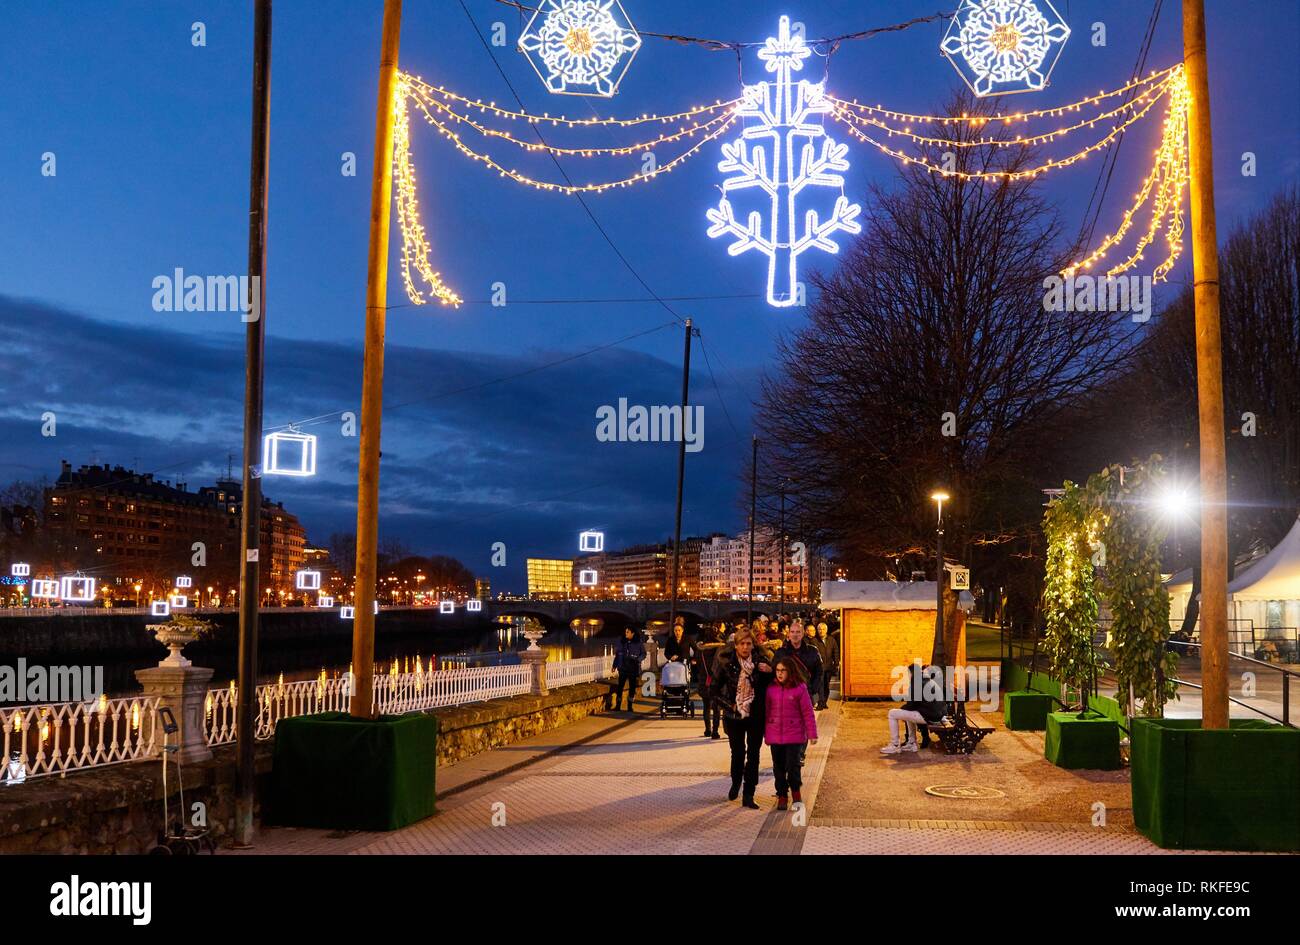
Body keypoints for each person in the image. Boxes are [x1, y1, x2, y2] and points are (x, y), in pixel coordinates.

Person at [710, 627, 774, 809]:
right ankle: (736, 782)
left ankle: (749, 793)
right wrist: (729, 705)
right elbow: (713, 691)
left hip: (755, 714)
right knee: (737, 753)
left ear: (753, 645)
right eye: (742, 644)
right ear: (736, 646)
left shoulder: (762, 662)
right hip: (734, 715)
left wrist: (769, 672)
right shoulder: (726, 663)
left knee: (754, 755)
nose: (746, 647)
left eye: (749, 643)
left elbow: (771, 687)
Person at [765, 655, 818, 811]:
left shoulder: (800, 688)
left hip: (794, 736)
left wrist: (812, 733)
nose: (780, 673)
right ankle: (782, 795)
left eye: (783, 670)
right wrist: (766, 734)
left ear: (790, 671)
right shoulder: (771, 689)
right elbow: (767, 713)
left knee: (793, 766)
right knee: (778, 768)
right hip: (775, 736)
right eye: (777, 670)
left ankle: (796, 792)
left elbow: (807, 712)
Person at [882, 663, 948, 754]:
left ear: (911, 673)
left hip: (931, 717)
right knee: (908, 713)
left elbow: (912, 704)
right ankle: (912, 743)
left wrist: (902, 710)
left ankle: (895, 745)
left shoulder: (917, 682)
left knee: (892, 713)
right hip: (938, 715)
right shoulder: (926, 680)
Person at [776, 620, 823, 712]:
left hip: (806, 695)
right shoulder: (781, 652)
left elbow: (819, 671)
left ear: (802, 634)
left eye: (798, 632)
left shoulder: (812, 651)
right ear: (788, 634)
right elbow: (774, 673)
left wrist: (813, 689)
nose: (795, 634)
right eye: (792, 632)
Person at [694, 623, 726, 738]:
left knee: (706, 706)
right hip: (715, 680)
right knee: (716, 708)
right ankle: (715, 731)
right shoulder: (719, 648)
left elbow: (697, 665)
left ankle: (707, 730)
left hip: (703, 680)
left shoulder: (700, 650)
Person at [610, 626, 646, 713]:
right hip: (622, 667)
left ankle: (630, 706)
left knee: (632, 688)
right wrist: (614, 665)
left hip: (633, 668)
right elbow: (618, 654)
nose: (626, 633)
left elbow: (643, 654)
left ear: (632, 633)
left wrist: (638, 659)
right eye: (625, 632)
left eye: (628, 632)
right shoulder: (622, 642)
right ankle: (618, 706)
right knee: (620, 687)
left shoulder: (638, 642)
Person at [817, 621, 838, 710]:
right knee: (820, 685)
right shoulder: (815, 640)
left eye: (823, 629)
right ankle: (820, 703)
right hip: (819, 667)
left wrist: (836, 662)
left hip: (829, 666)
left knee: (826, 685)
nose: (821, 631)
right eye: (819, 629)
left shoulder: (831, 640)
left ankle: (824, 701)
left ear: (826, 630)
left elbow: (835, 651)